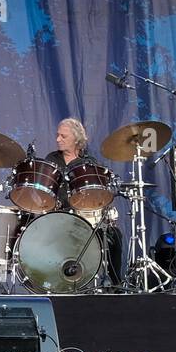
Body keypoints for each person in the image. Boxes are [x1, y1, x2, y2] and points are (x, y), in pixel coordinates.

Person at [44, 117, 122, 284]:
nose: (58, 139)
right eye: (57, 135)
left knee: (114, 235)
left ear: (76, 140)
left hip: (84, 220)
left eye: (63, 136)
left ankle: (115, 284)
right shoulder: (51, 159)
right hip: (58, 218)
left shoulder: (89, 164)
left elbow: (100, 196)